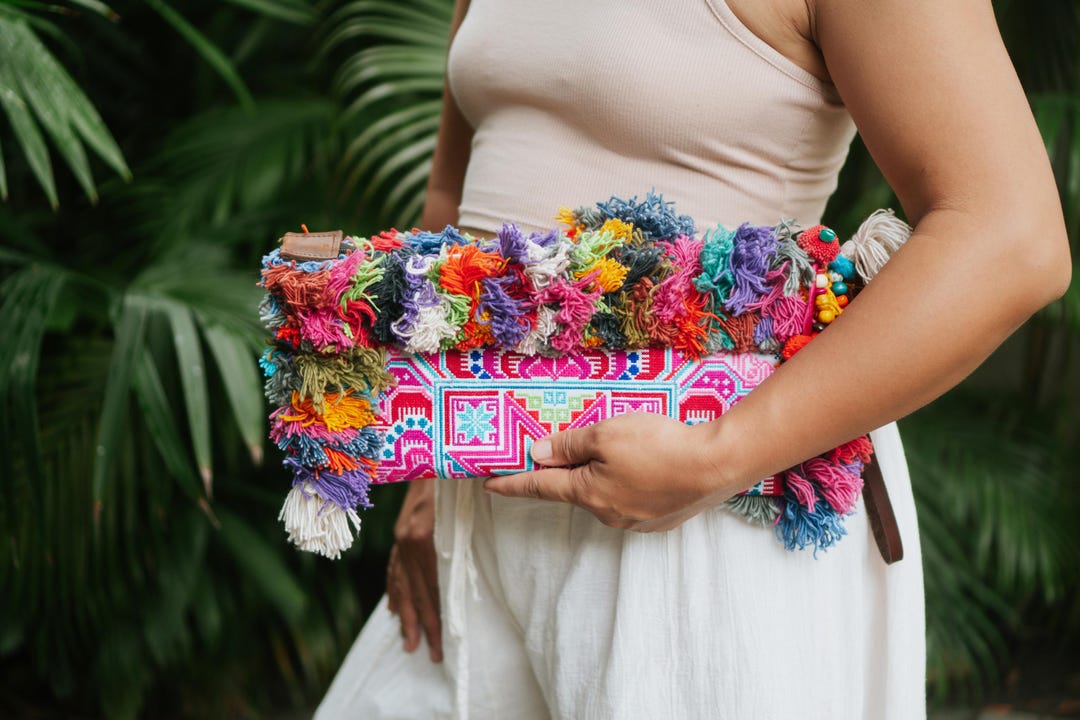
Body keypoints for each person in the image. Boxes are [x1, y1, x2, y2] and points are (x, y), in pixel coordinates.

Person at [316, 0, 1071, 717]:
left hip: (705, 509)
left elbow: (1011, 237)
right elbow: (456, 184)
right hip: (473, 496)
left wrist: (716, 458)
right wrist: (423, 473)